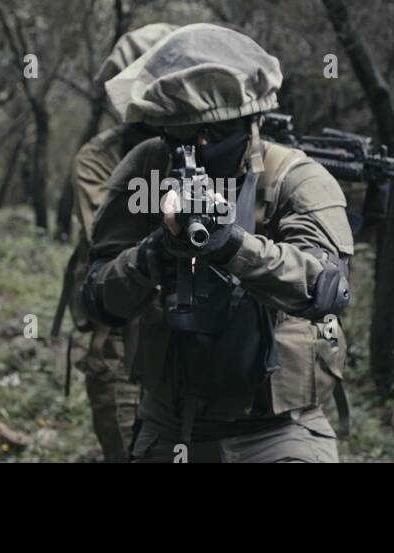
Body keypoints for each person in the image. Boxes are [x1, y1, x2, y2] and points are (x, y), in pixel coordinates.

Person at [81, 23, 353, 463]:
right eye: (183, 136)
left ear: (253, 121)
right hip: (173, 423)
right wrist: (154, 254)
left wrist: (232, 245)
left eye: (215, 132)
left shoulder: (294, 178)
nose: (199, 147)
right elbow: (97, 297)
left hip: (279, 430)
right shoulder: (146, 166)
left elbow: (325, 289)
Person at [61, 23, 176, 461]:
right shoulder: (100, 158)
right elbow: (110, 247)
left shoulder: (216, 146)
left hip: (199, 345)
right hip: (123, 342)